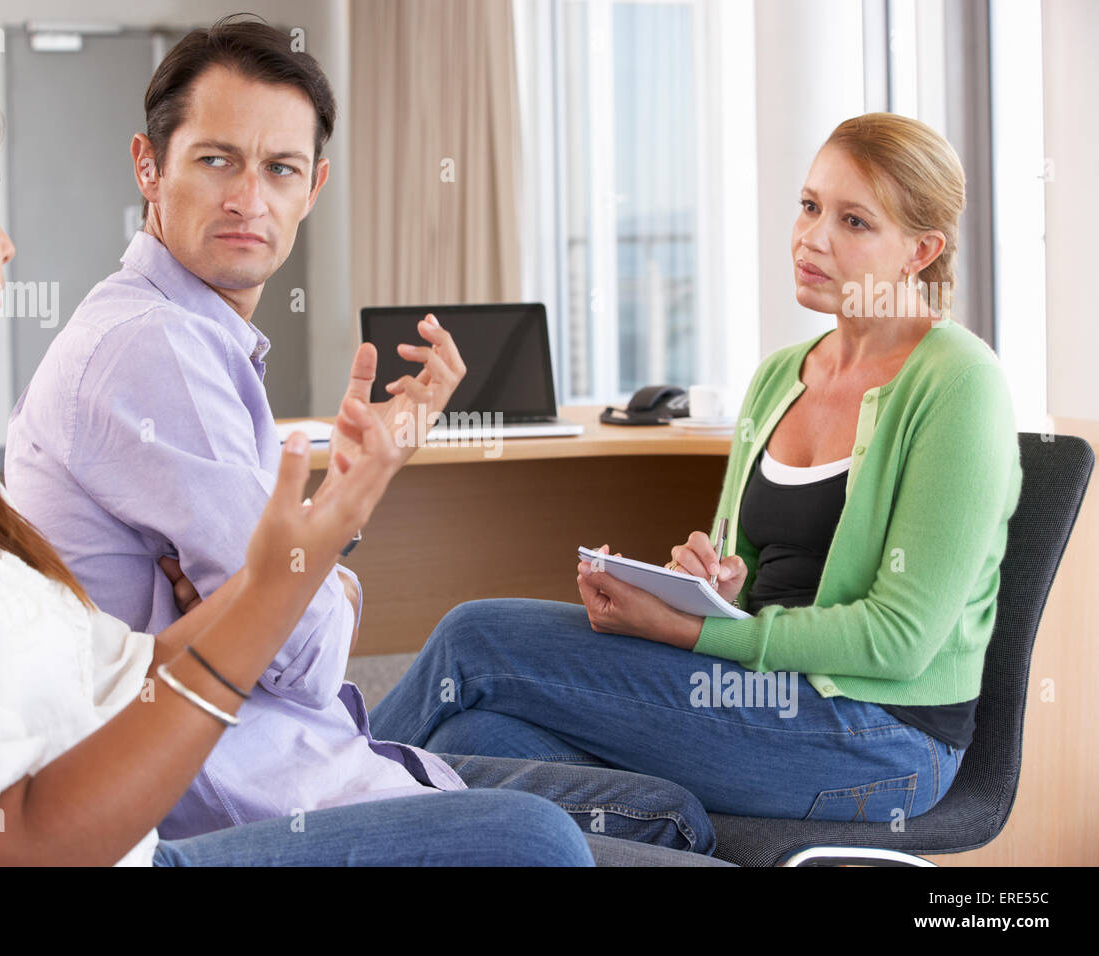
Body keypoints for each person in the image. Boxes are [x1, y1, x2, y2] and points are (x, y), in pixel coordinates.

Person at [0, 52, 706, 868]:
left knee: (514, 689)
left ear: (312, 187)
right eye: (216, 161)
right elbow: (297, 658)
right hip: (223, 797)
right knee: (579, 831)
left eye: (278, 170)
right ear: (149, 169)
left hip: (262, 758)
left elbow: (134, 661)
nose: (248, 199)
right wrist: (294, 584)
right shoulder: (147, 348)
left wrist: (332, 521)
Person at [370, 112, 1024, 824]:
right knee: (475, 740)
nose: (812, 238)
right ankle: (670, 818)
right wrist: (706, 588)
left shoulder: (959, 381)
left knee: (474, 641)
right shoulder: (781, 376)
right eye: (809, 206)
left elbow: (899, 641)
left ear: (921, 250)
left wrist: (688, 631)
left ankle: (297, 804)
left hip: (881, 738)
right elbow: (742, 580)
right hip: (753, 688)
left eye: (855, 222)